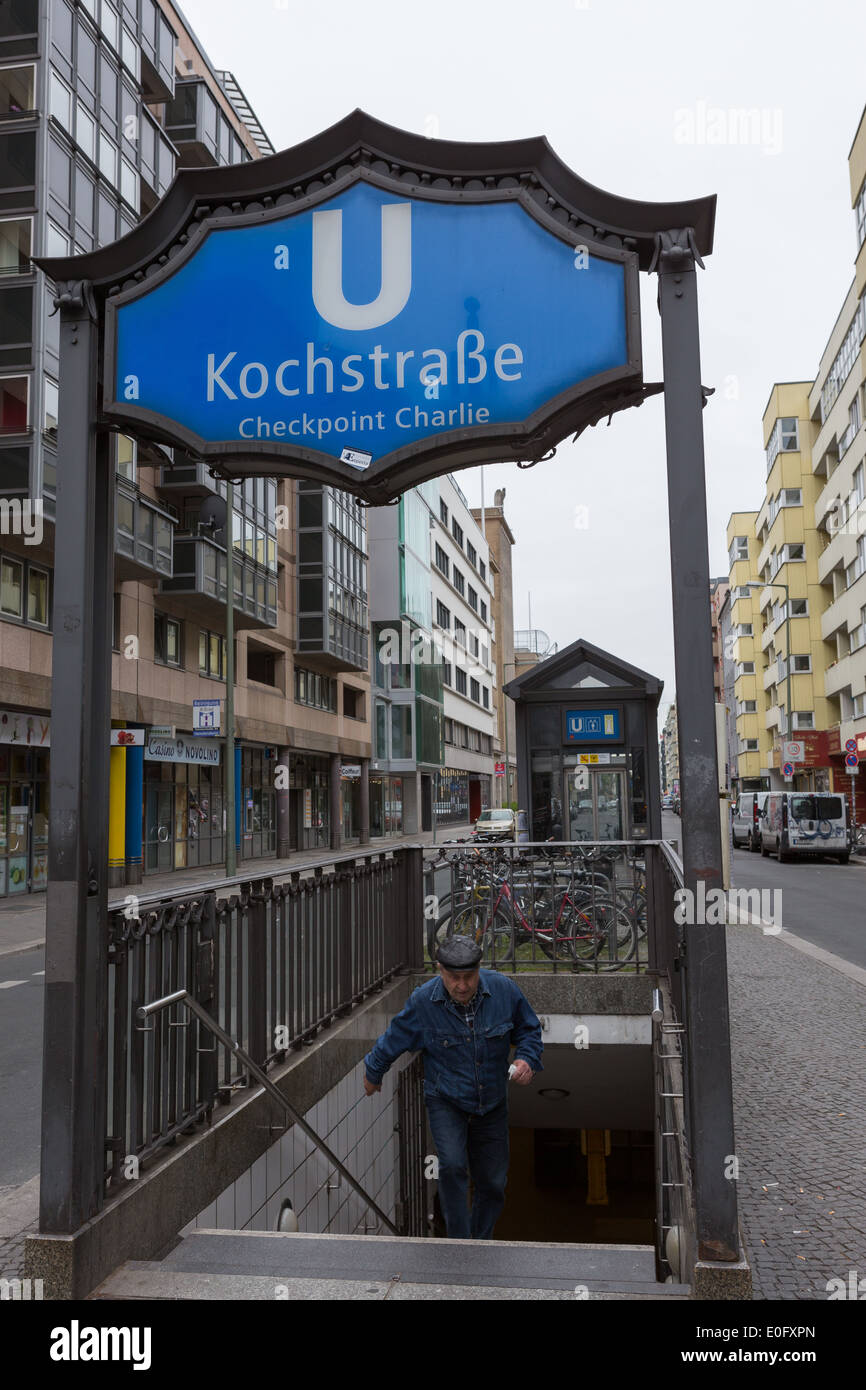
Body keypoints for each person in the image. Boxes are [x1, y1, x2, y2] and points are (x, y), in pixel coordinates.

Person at [363, 936, 543, 1239]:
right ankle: (460, 1243)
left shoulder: (503, 990)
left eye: (469, 977)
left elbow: (529, 1029)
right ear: (440, 971)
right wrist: (373, 1073)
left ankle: (480, 1241)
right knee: (452, 1168)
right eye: (454, 978)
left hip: (492, 1102)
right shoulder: (423, 1001)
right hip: (445, 1100)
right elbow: (395, 1038)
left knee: (493, 1183)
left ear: (479, 969)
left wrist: (527, 1058)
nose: (462, 986)